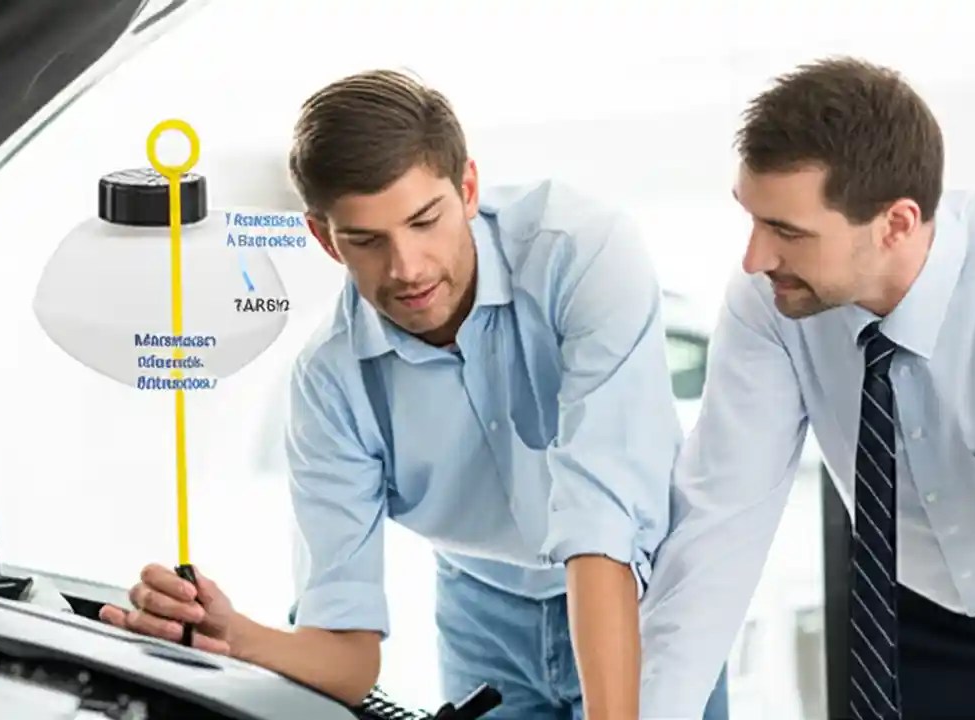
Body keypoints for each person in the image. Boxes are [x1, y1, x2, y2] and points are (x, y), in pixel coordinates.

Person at [99, 69, 729, 719]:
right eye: (367, 241)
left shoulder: (582, 253)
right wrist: (235, 635)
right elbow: (347, 658)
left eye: (425, 221)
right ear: (324, 238)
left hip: (638, 595)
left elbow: (602, 526)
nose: (408, 269)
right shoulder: (329, 385)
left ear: (468, 188)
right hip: (482, 619)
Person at [637, 56, 975, 720]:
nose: (755, 258)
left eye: (787, 232)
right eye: (753, 220)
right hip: (907, 615)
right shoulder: (769, 301)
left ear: (896, 223)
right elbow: (719, 525)